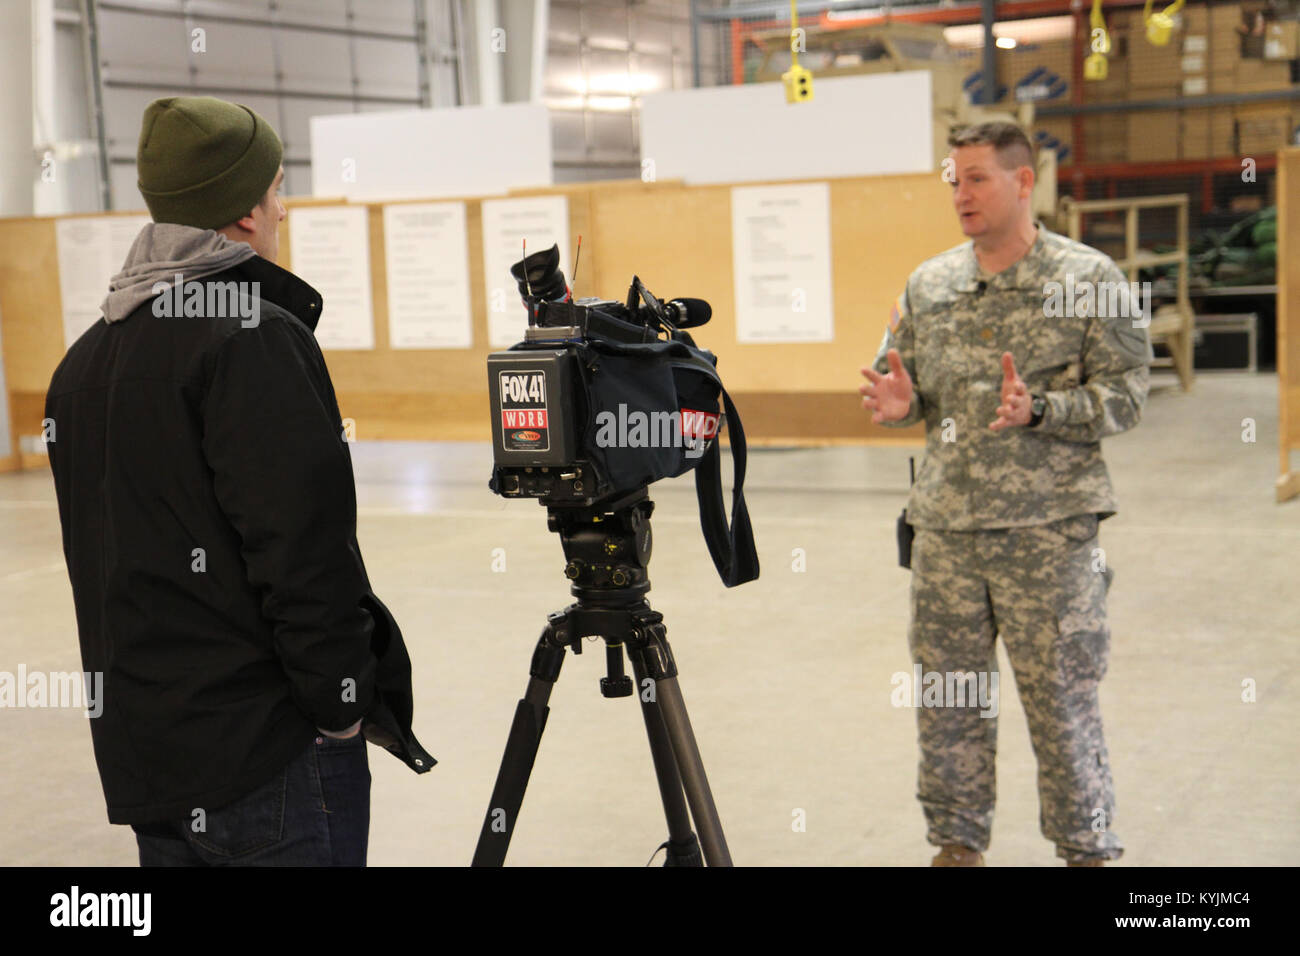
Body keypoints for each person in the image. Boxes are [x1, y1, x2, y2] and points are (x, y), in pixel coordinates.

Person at [44, 96, 433, 866]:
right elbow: (305, 557)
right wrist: (341, 713)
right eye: (278, 187)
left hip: (150, 760)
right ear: (247, 213)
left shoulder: (82, 366)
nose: (284, 207)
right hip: (269, 760)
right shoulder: (253, 339)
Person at [859, 121, 1151, 866]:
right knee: (949, 699)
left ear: (1025, 182)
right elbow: (906, 379)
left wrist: (1046, 409)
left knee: (1061, 703)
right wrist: (902, 403)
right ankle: (957, 845)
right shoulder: (930, 284)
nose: (961, 192)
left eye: (979, 176)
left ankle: (1087, 849)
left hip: (1048, 536)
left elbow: (1127, 396)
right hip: (947, 534)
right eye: (953, 177)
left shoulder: (1090, 280)